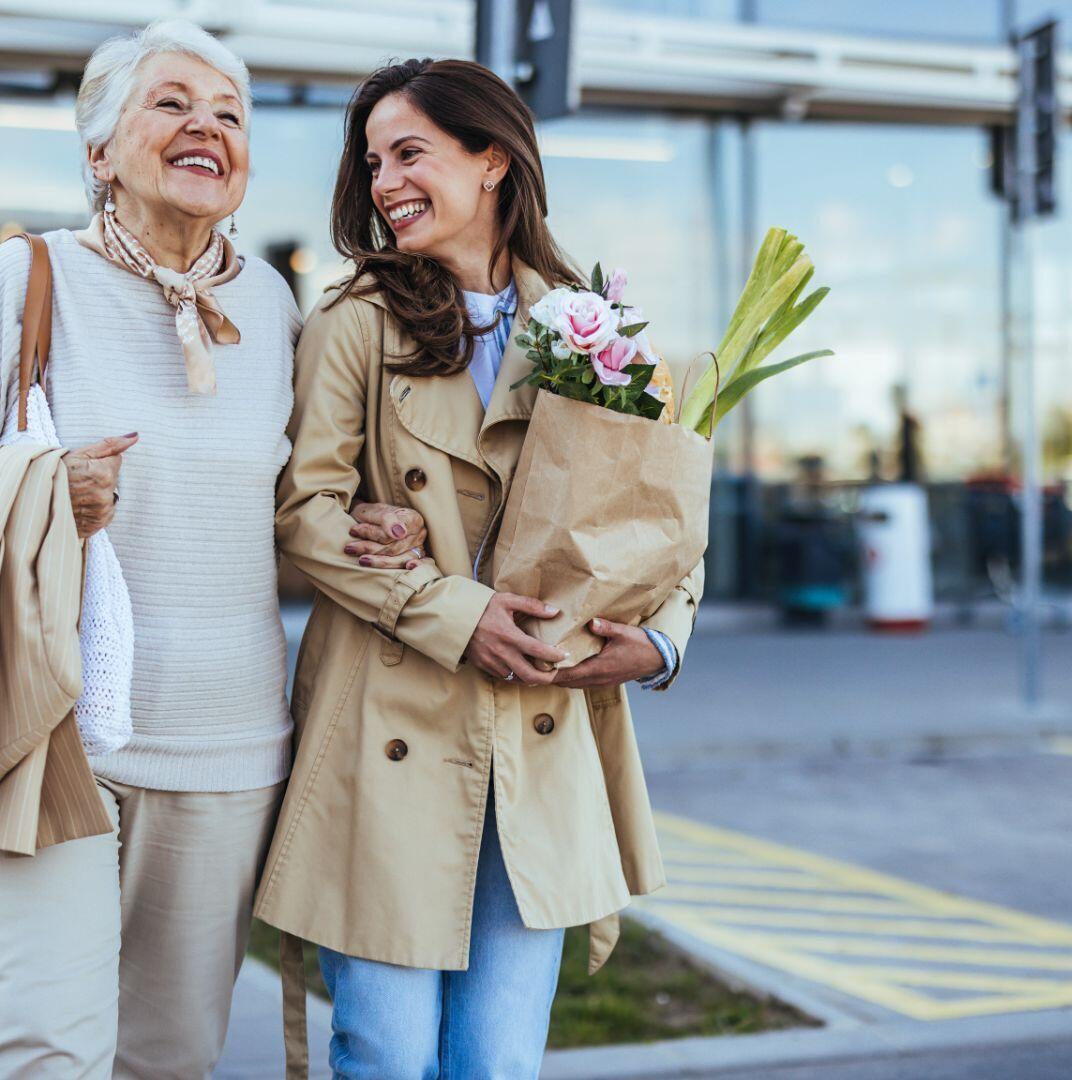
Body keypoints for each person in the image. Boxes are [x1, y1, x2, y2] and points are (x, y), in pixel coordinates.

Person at [0, 20, 423, 1078]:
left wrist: (375, 525)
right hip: (43, 728)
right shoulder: (23, 280)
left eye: (229, 114)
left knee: (171, 1058)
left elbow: (292, 507)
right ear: (99, 151)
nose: (205, 128)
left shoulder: (272, 307)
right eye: (171, 103)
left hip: (228, 743)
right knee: (45, 1049)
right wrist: (44, 488)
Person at [254, 58, 702, 1077]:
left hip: (536, 732)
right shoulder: (354, 321)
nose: (383, 182)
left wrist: (664, 639)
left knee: (499, 1062)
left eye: (409, 153)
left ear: (493, 158)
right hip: (388, 731)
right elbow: (303, 512)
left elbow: (667, 511)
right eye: (372, 162)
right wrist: (452, 609)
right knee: (387, 1050)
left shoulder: (596, 328)